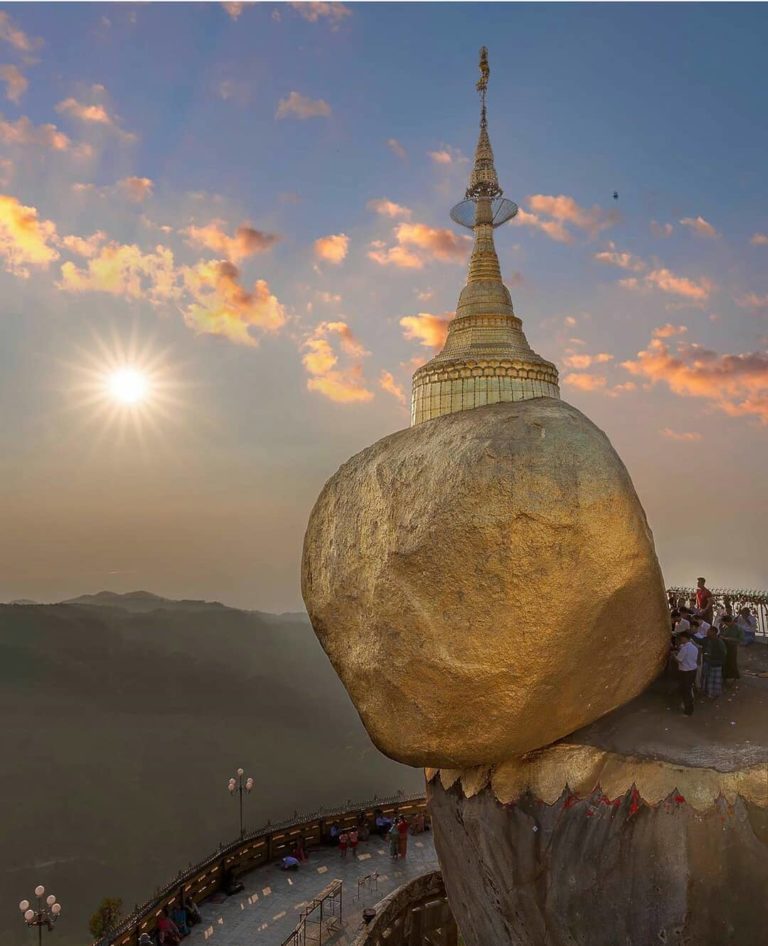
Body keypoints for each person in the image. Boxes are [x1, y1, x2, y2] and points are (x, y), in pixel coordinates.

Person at [674, 631, 698, 716]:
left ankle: (688, 710)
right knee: (689, 689)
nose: (680, 640)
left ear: (684, 638)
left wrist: (673, 655)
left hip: (686, 671)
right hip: (693, 670)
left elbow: (679, 660)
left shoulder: (685, 648)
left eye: (681, 638)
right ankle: (688, 705)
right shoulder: (694, 647)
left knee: (686, 691)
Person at [701, 626, 726, 699]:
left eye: (709, 631)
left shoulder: (718, 641)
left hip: (714, 662)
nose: (707, 632)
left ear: (713, 632)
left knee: (712, 679)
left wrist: (709, 656)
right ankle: (713, 693)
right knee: (713, 679)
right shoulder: (709, 640)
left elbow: (723, 652)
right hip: (713, 662)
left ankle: (712, 693)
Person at [720, 615, 743, 682]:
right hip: (724, 646)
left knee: (732, 661)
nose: (726, 624)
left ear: (730, 621)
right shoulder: (725, 627)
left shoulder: (738, 628)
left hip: (732, 646)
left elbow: (740, 639)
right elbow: (723, 634)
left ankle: (734, 676)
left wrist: (728, 638)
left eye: (726, 623)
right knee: (725, 661)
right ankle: (725, 676)